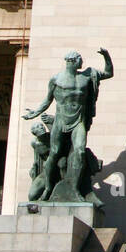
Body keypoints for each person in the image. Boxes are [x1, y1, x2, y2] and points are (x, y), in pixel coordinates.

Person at [22, 48, 113, 203]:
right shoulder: (56, 80)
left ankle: (74, 189)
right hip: (61, 121)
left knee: (80, 151)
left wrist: (106, 56)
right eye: (80, 60)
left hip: (78, 121)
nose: (82, 62)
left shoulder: (87, 76)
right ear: (72, 61)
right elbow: (47, 100)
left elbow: (108, 73)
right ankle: (49, 187)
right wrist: (35, 113)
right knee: (55, 153)